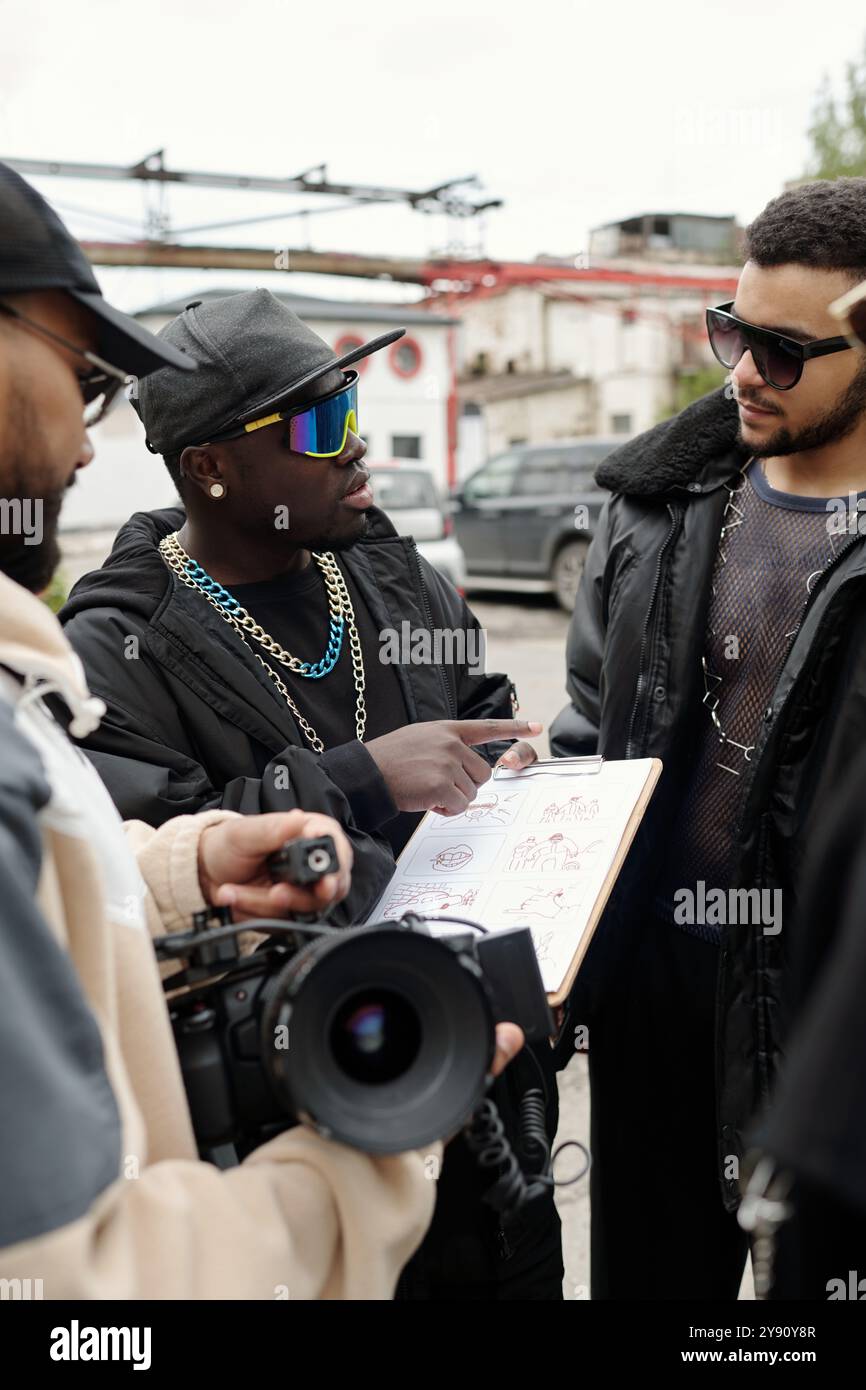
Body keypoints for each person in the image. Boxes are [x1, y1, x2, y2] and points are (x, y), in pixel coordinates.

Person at [0, 161, 522, 1299]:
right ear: (215, 469)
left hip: (480, 1081)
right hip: (304, 1121)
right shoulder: (114, 644)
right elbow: (140, 843)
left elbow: (483, 709)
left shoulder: (392, 576)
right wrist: (354, 776)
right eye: (321, 419)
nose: (354, 447)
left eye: (356, 411)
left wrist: (512, 762)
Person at [550, 177, 866, 1299]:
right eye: (730, 332)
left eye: (781, 352)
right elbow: (589, 727)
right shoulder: (655, 508)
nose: (739, 369)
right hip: (656, 1016)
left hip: (830, 1031)